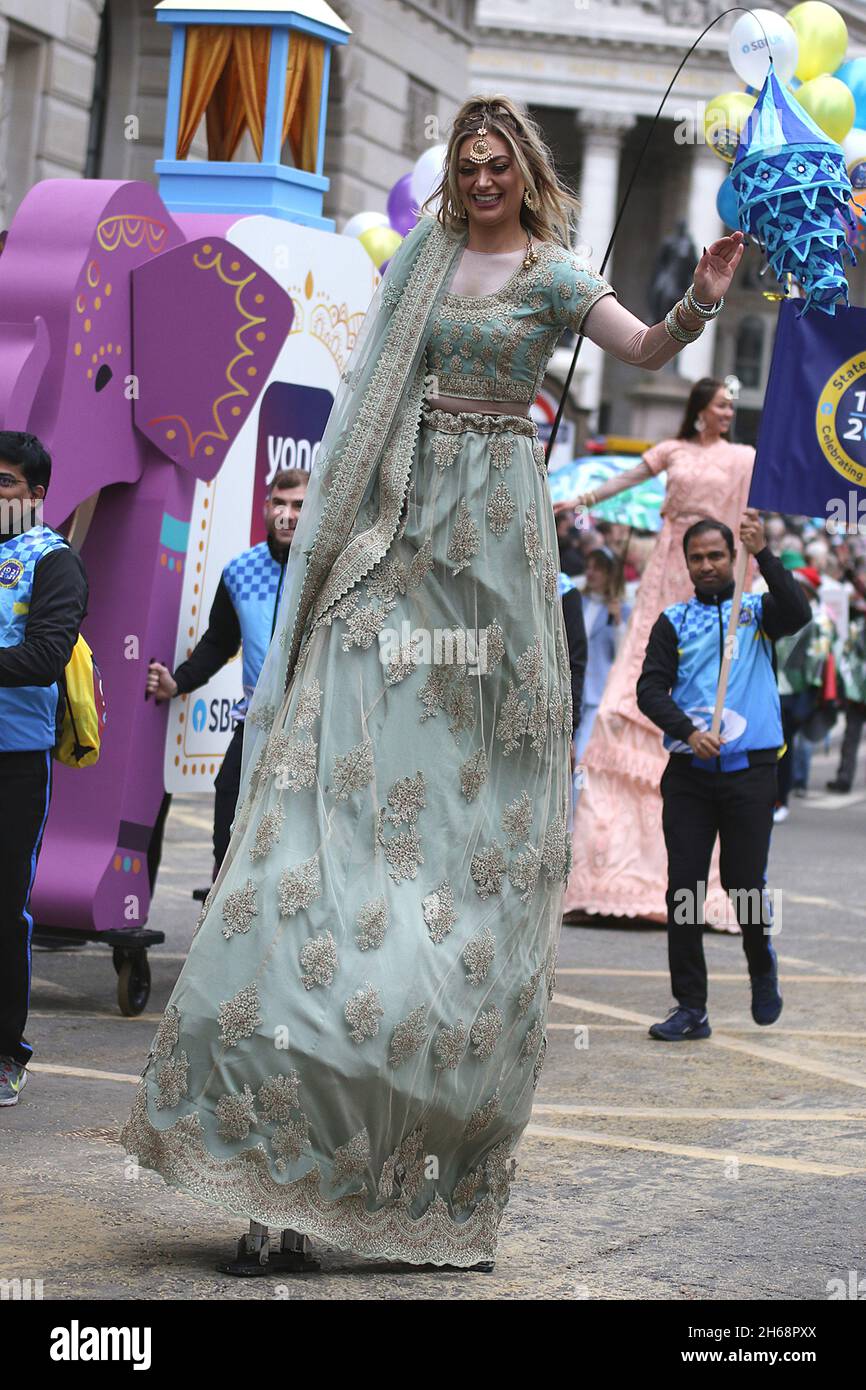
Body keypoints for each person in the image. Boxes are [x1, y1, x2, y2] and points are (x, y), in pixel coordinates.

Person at [121, 94, 745, 1272]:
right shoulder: (419, 265)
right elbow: (366, 406)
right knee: (326, 782)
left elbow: (650, 350)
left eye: (495, 164)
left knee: (467, 808)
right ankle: (273, 1152)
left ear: (525, 172)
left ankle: (393, 1135)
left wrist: (701, 293)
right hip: (394, 535)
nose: (478, 180)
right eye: (464, 165)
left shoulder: (558, 274)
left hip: (494, 555)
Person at [555, 378, 755, 924]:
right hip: (665, 578)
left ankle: (693, 887)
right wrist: (581, 500)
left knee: (700, 703)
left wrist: (749, 580)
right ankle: (608, 874)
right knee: (631, 698)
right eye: (720, 404)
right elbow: (628, 476)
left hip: (712, 580)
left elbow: (756, 513)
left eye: (732, 406)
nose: (728, 412)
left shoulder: (744, 458)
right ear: (699, 410)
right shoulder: (673, 451)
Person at [636, 513, 810, 1041]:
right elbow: (650, 690)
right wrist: (688, 731)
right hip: (690, 775)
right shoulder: (673, 621)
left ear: (732, 557)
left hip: (751, 774)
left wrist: (764, 554)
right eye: (697, 557)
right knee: (684, 889)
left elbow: (798, 611)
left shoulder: (757, 613)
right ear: (686, 563)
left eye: (717, 555)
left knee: (742, 884)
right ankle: (691, 1007)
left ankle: (761, 963)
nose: (707, 565)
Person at [146, 469, 309, 877]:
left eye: (300, 505)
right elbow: (220, 641)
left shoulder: (324, 569)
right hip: (256, 719)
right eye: (280, 503)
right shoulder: (240, 570)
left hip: (314, 721)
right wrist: (178, 682)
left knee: (300, 829)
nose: (287, 515)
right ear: (266, 508)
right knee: (229, 812)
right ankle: (224, 917)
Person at [0, 432, 88, 1106]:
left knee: (5, 910)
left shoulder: (52, 562)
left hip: (15, 760)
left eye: (3, 484)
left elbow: (45, 655)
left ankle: (7, 1054)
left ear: (35, 495)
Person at [773, 565, 836, 823]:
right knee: (774, 747)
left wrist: (805, 701)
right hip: (774, 688)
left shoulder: (820, 619)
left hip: (798, 694)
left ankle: (781, 800)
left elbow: (818, 662)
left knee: (785, 749)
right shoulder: (781, 612)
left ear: (808, 590)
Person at [574, 546, 631, 764]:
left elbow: (623, 654)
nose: (590, 573)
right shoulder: (578, 601)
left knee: (582, 756)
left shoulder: (622, 610)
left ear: (610, 574)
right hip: (574, 689)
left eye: (597, 568)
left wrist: (618, 623)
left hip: (598, 693)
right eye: (588, 567)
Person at [827, 610, 866, 792]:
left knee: (850, 738)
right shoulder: (856, 627)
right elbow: (847, 656)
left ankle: (844, 777)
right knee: (850, 738)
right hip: (856, 694)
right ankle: (844, 778)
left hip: (857, 694)